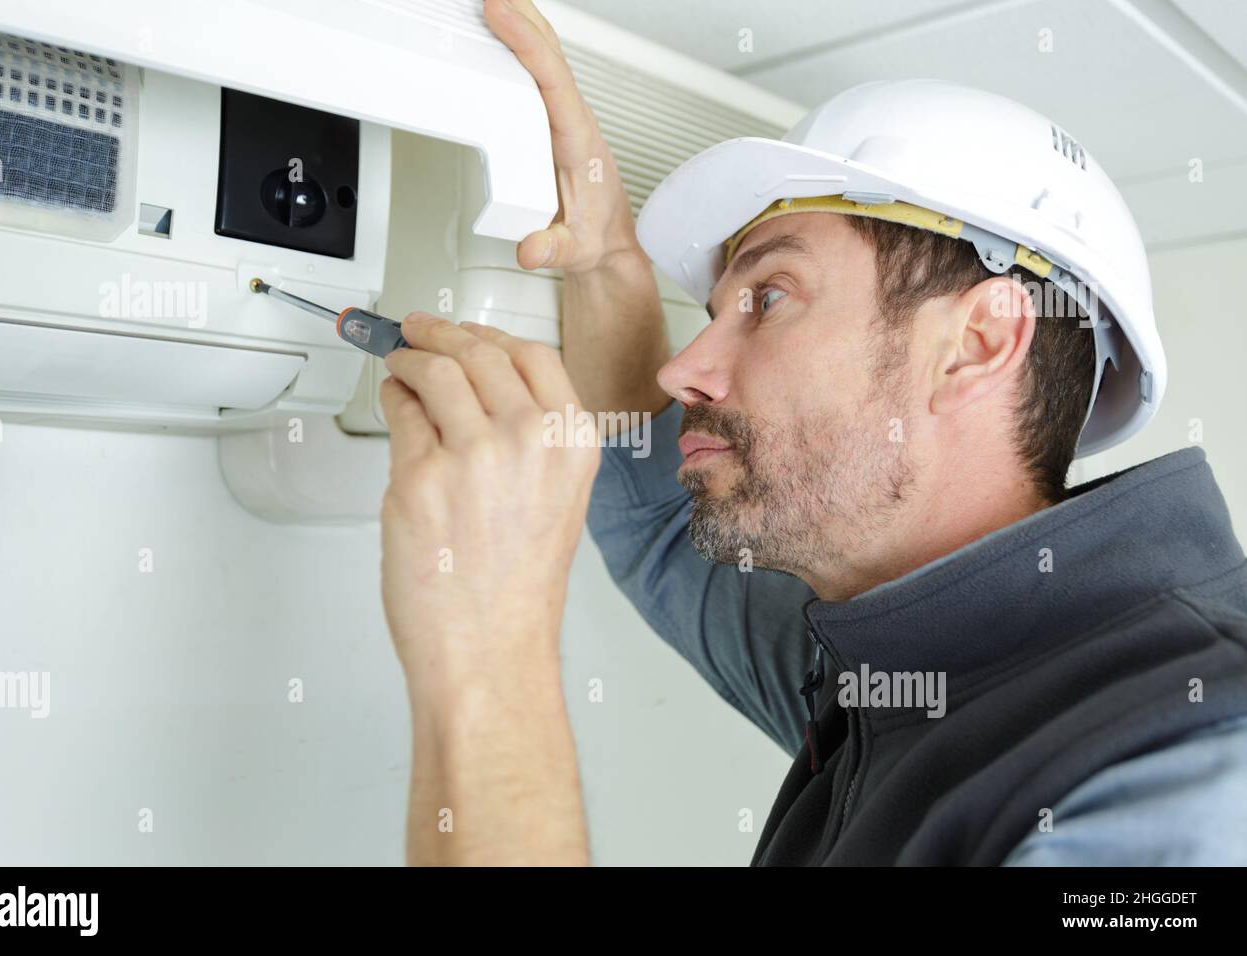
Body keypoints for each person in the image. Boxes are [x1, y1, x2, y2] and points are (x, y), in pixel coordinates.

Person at [377, 0, 1247, 865]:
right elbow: (659, 525)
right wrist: (606, 263)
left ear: (976, 343)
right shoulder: (897, 659)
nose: (680, 372)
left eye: (769, 298)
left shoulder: (1197, 763)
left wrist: (484, 642)